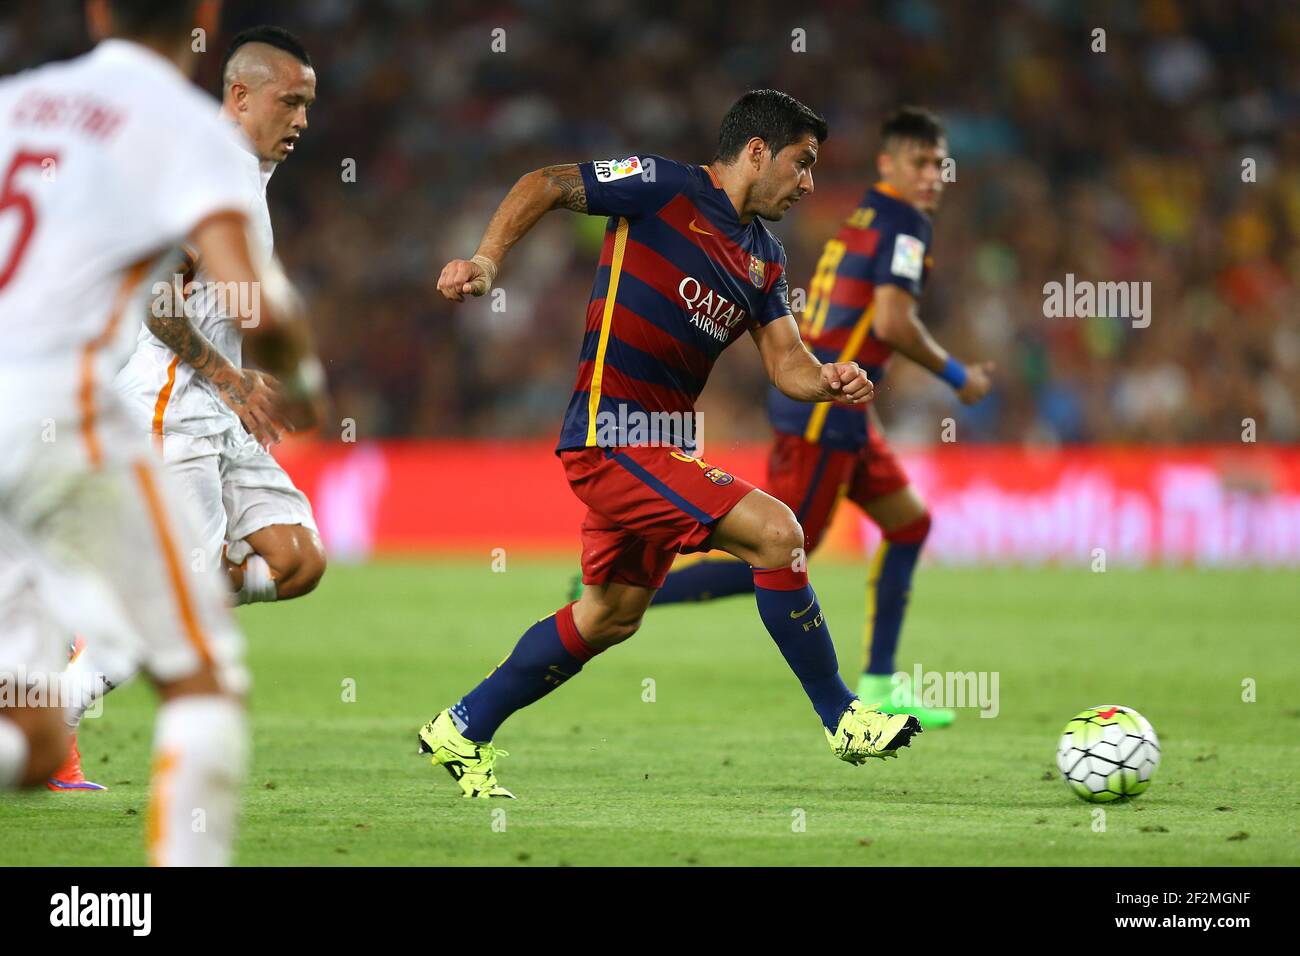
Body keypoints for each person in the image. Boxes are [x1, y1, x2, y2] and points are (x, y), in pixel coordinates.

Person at [424, 90, 922, 799]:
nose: (810, 182)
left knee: (610, 615)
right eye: (802, 163)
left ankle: (462, 727)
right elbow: (546, 183)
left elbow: (787, 368)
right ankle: (843, 716)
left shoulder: (764, 259)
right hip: (611, 436)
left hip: (662, 447)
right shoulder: (663, 187)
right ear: (757, 151)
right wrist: (488, 259)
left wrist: (830, 380)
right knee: (780, 534)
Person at [0, 0, 323, 864]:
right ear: (236, 86)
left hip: (125, 405)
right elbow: (158, 300)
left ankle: (164, 585)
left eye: (309, 108)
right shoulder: (188, 140)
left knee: (297, 559)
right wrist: (270, 377)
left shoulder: (22, 102)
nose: (302, 122)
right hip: (161, 399)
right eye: (291, 104)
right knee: (195, 673)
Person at [650, 107, 994, 727]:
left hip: (845, 409)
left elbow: (866, 322)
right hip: (821, 409)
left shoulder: (866, 217)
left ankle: (882, 683)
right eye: (919, 161)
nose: (932, 175)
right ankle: (632, 590)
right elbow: (890, 322)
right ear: (887, 163)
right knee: (781, 552)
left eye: (939, 164)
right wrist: (957, 376)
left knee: (909, 526)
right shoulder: (907, 224)